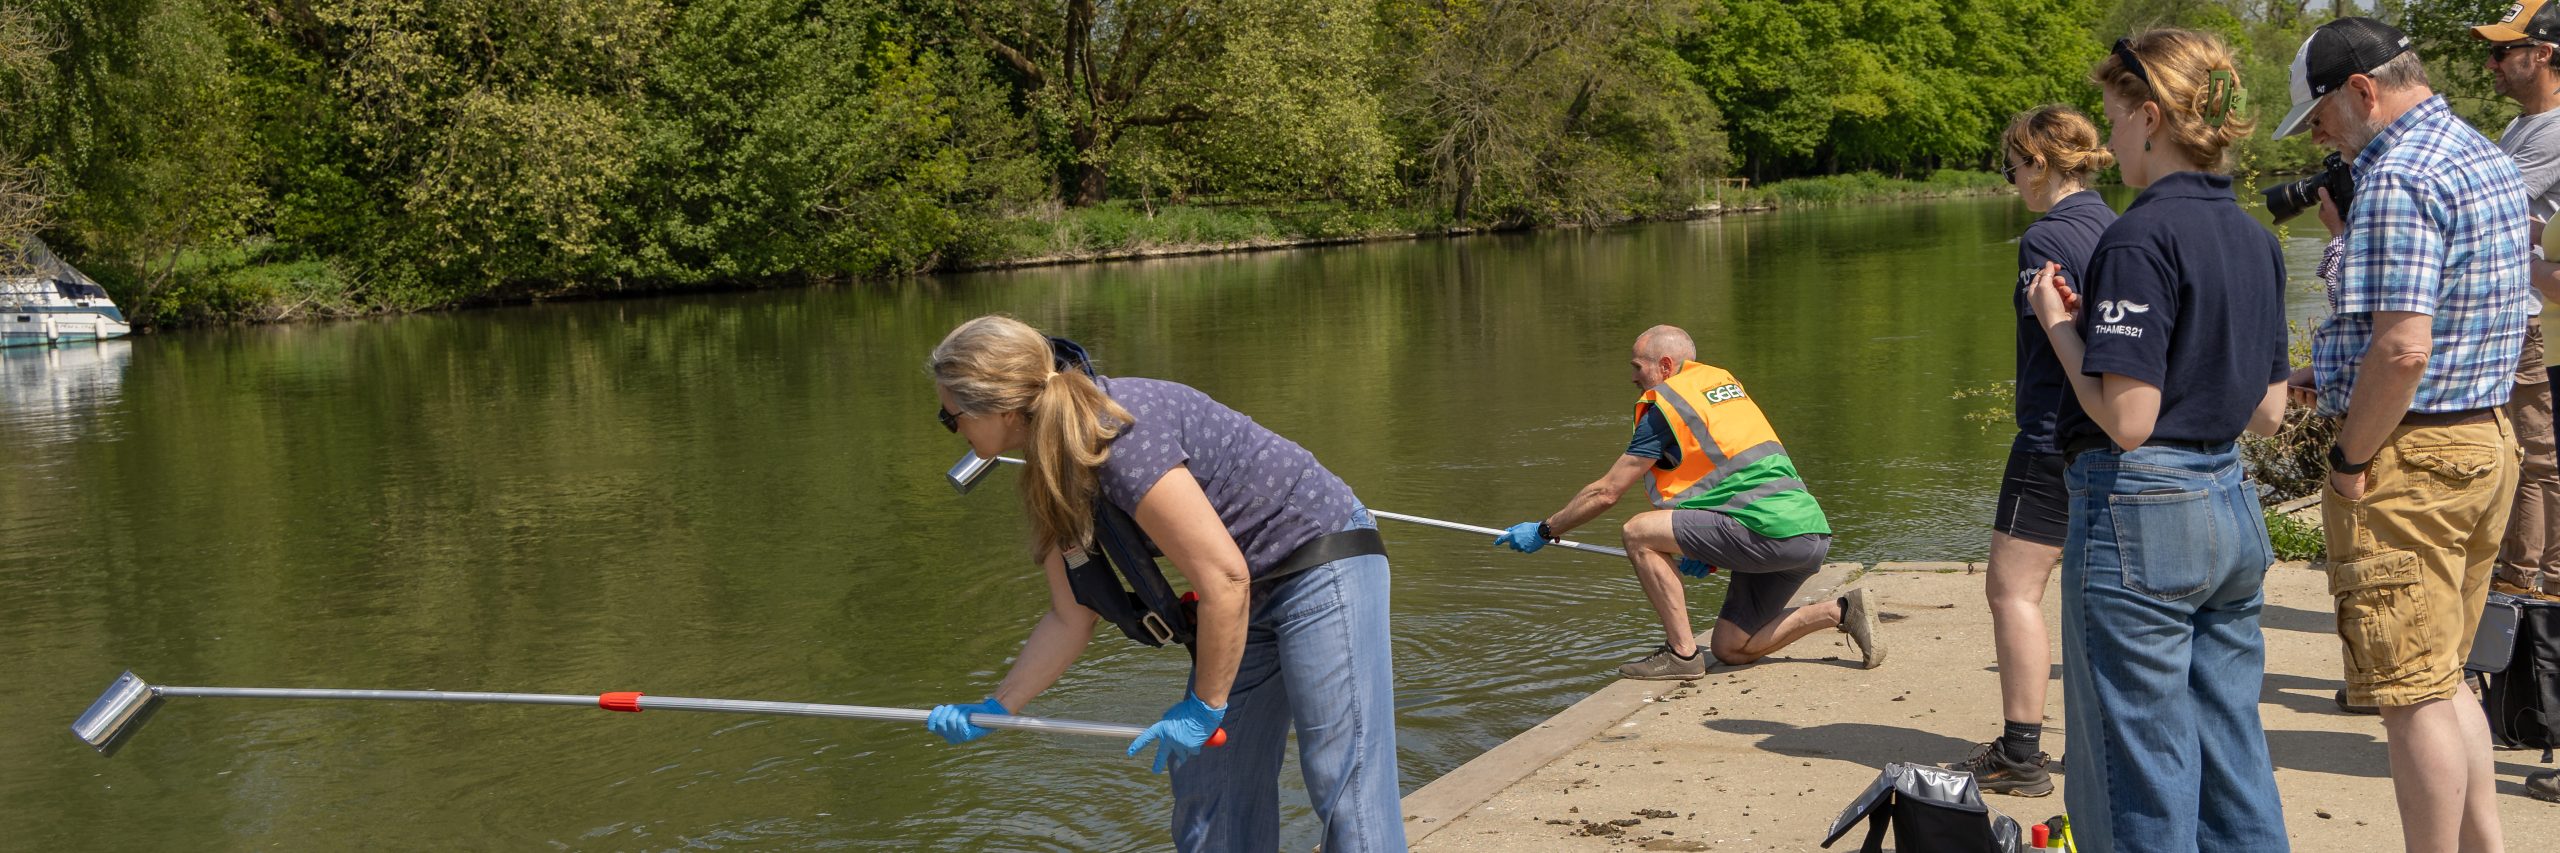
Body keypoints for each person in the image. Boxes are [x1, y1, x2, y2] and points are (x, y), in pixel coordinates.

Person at [922, 315, 1403, 852]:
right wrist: (999, 705)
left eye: (951, 416)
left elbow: (1223, 576)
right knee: (1208, 784)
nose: (951, 427)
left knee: (1343, 778)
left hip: (1321, 560)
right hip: (1248, 590)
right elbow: (1071, 615)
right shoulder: (1051, 471)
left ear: (1002, 408)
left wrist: (1204, 706)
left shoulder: (1120, 438)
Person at [2023, 28, 2293, 853]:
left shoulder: (2137, 236)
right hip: (2230, 503)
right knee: (2230, 748)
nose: (2108, 140)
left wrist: (2061, 324)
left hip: (2141, 512)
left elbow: (2128, 420)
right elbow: (2269, 411)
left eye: (2112, 117)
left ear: (2150, 117)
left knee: (2135, 766)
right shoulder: (2255, 238)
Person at [2272, 16, 2534, 852]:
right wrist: (2337, 371)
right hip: (2486, 436)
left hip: (2411, 456)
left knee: (2407, 692)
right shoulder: (2484, 153)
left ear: (2361, 91)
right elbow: (2447, 323)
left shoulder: (2394, 177)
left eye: (2317, 118)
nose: (2317, 137)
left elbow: (2406, 346)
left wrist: (2350, 457)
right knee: (2445, 676)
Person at [1491, 325, 1882, 681]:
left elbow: (1607, 492)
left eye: (1637, 367)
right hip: (1807, 533)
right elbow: (1727, 476)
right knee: (1732, 648)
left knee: (1638, 532)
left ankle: (1681, 653)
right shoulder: (1719, 388)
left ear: (1664, 365)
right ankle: (1842, 611)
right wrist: (1705, 546)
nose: (1632, 377)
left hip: (1766, 530)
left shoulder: (1666, 405)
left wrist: (1546, 529)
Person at [1945, 105, 2117, 798]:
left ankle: (2021, 752)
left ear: (2040, 163)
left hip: (2051, 432)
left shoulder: (2045, 236)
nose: (2011, 180)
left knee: (2012, 589)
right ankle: (2107, 743)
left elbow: (2055, 334)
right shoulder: (2115, 224)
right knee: (2091, 593)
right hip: (2113, 432)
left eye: (2013, 167)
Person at [2473, 1, 2560, 604]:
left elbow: (2487, 206)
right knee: (2518, 451)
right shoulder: (2521, 127)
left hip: (2538, 320)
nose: (2492, 63)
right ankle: (2520, 575)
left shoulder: (2556, 129)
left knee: (2537, 454)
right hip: (2518, 315)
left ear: (2545, 53)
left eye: (2505, 51)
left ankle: (2538, 584)